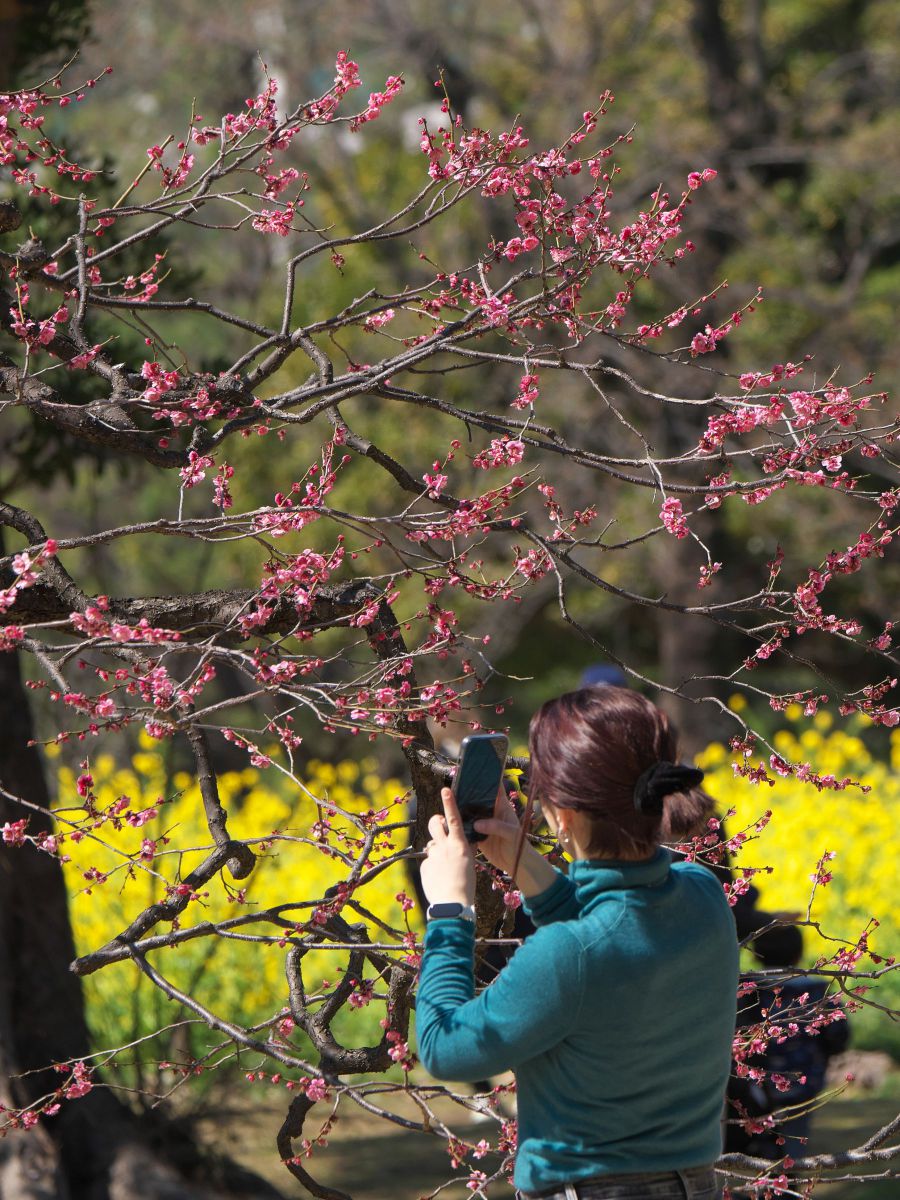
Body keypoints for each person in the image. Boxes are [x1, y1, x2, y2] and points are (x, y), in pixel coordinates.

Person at [416, 686, 739, 1200]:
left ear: (562, 817)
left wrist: (450, 910)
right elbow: (614, 945)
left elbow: (444, 1047)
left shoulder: (570, 955)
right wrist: (523, 864)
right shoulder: (704, 899)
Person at [729, 923, 849, 1162]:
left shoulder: (746, 990)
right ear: (799, 952)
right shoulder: (818, 991)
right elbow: (838, 1036)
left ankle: (764, 1176)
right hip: (805, 1079)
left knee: (756, 1137)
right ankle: (786, 1176)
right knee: (794, 1137)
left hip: (755, 1081)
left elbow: (736, 1034)